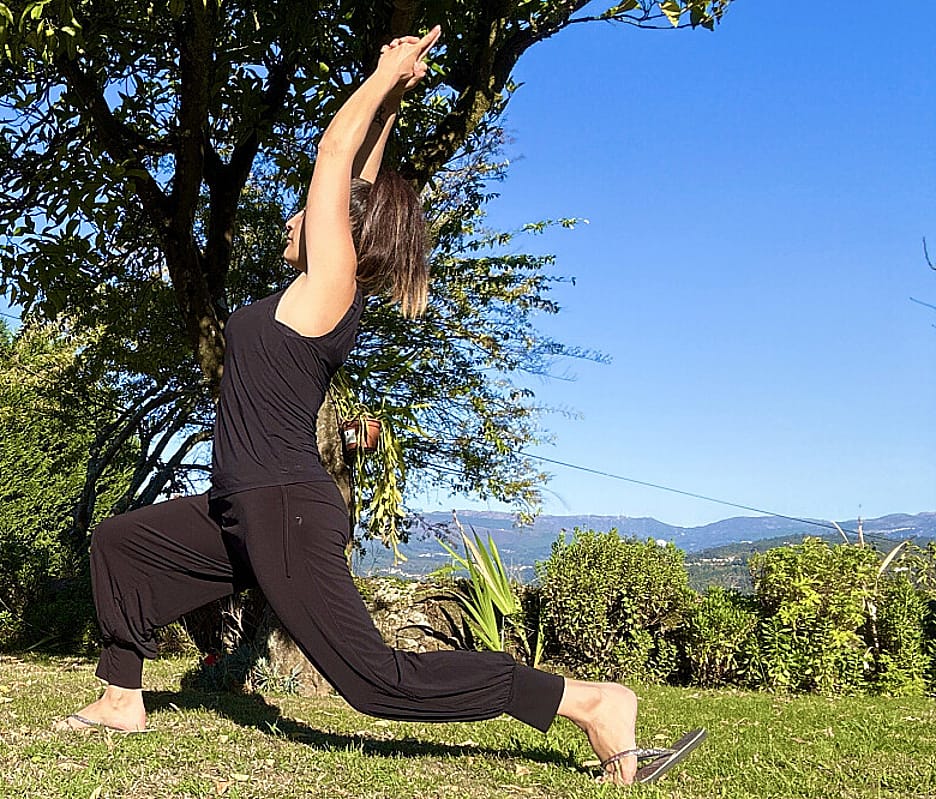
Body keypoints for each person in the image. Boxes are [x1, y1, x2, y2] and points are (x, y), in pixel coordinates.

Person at [56, 28, 662, 786]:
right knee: (122, 544)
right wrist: (396, 105)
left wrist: (380, 75)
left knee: (376, 681)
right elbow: (357, 178)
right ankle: (121, 696)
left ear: (342, 235)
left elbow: (333, 160)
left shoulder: (328, 289)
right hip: (243, 504)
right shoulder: (312, 293)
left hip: (284, 507)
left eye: (309, 214)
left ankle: (590, 702)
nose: (293, 218)